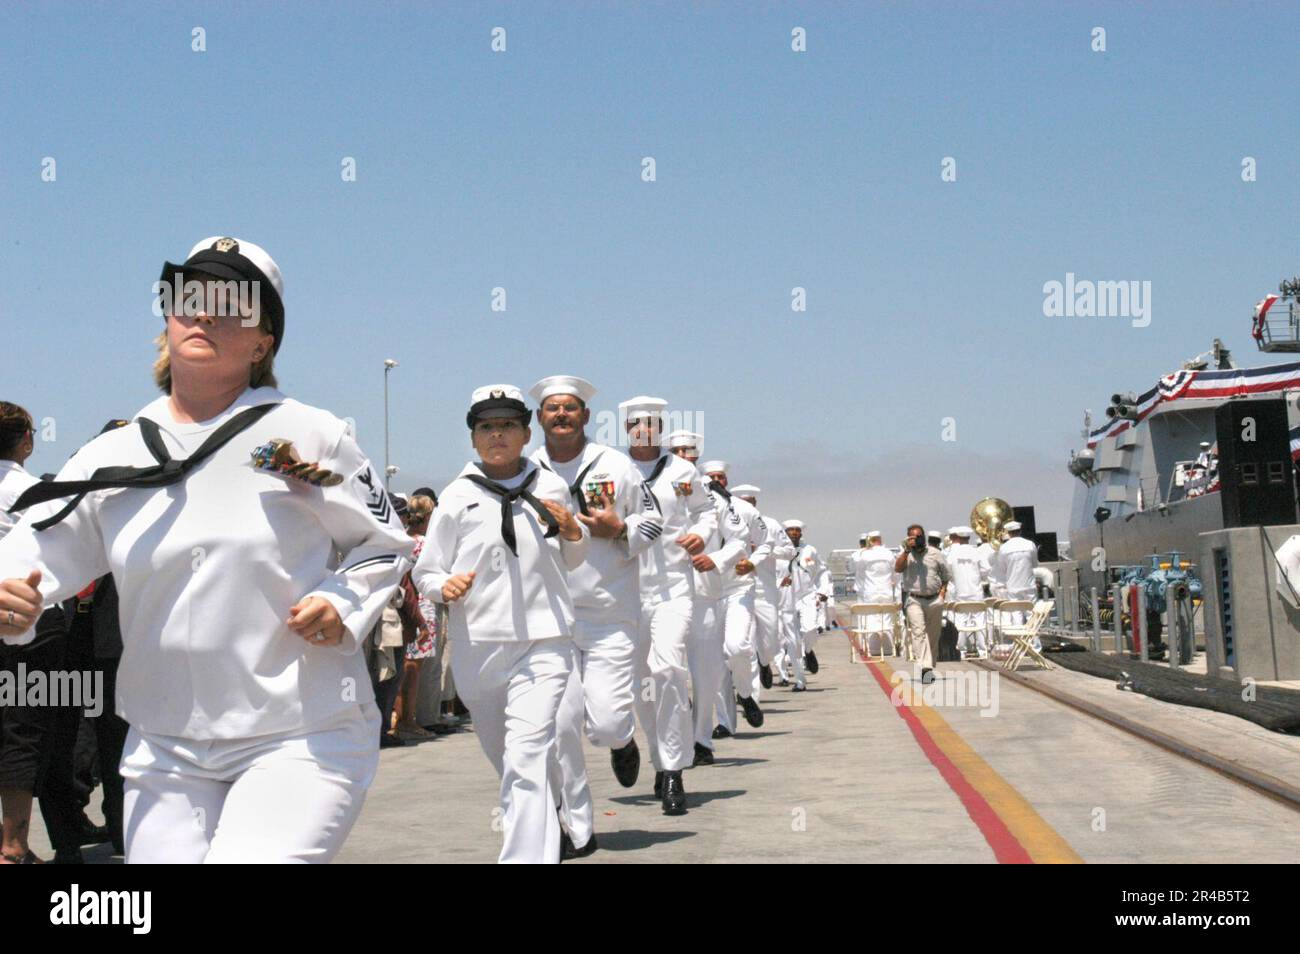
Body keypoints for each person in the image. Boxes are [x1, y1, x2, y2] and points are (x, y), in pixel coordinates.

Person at [0, 236, 414, 863]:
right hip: (164, 749)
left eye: (231, 303)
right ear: (167, 318)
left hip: (299, 733)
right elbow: (39, 551)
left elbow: (383, 543)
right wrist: (11, 597)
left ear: (263, 340)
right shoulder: (115, 452)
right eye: (188, 297)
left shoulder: (309, 433)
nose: (205, 313)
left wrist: (341, 600)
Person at [412, 385, 587, 863]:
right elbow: (425, 569)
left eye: (508, 425)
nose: (497, 435)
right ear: (473, 439)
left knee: (527, 753)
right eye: (486, 427)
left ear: (527, 433)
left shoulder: (549, 486)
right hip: (479, 644)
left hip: (545, 640)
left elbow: (573, 557)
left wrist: (575, 532)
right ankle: (548, 812)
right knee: (506, 758)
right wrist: (442, 586)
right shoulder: (456, 497)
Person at [529, 375, 662, 853]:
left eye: (570, 408)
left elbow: (653, 522)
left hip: (609, 614)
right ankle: (575, 830)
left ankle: (622, 738)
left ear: (586, 416)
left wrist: (619, 528)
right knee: (559, 729)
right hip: (548, 619)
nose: (561, 415)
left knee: (603, 722)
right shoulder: (526, 470)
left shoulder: (616, 465)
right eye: (551, 409)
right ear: (539, 418)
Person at [621, 396, 715, 813]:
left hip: (675, 585)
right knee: (641, 686)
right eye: (638, 423)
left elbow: (706, 511)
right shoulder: (613, 469)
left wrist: (702, 533)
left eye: (653, 423)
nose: (646, 429)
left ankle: (675, 771)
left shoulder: (682, 470)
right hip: (627, 589)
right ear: (626, 428)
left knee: (669, 669)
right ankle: (659, 758)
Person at [699, 461, 765, 731]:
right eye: (711, 477)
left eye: (721, 477)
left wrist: (753, 562)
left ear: (727, 480)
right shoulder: (694, 509)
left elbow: (766, 541)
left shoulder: (745, 509)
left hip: (739, 587)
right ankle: (726, 723)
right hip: (706, 590)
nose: (716, 481)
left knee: (736, 647)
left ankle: (746, 695)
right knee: (714, 662)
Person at [729, 484, 784, 692]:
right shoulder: (728, 524)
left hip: (765, 590)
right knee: (745, 644)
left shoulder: (769, 525)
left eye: (750, 503)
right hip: (739, 589)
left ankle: (764, 661)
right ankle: (749, 696)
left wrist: (764, 550)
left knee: (770, 640)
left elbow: (788, 551)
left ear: (755, 504)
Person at [893, 523, 952, 683]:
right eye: (913, 537)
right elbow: (898, 569)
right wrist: (906, 551)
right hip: (914, 599)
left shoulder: (935, 553)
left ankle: (930, 665)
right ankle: (925, 667)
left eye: (919, 536)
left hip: (934, 599)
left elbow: (946, 575)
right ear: (908, 538)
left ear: (924, 537)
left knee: (933, 635)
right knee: (918, 632)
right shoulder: (905, 554)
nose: (916, 539)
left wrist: (942, 593)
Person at [779, 519, 831, 690]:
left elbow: (822, 571)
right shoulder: (777, 551)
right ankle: (801, 680)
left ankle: (808, 651)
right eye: (790, 530)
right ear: (784, 532)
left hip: (807, 595)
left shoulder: (810, 550)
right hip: (785, 598)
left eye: (797, 530)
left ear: (801, 533)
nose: (794, 533)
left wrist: (823, 590)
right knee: (792, 642)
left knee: (810, 629)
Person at [944, 526, 988, 657]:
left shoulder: (953, 553)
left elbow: (948, 573)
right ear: (969, 538)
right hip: (976, 592)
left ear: (958, 537)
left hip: (960, 592)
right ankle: (982, 650)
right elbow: (985, 570)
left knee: (961, 622)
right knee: (980, 622)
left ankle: (962, 651)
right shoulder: (976, 552)